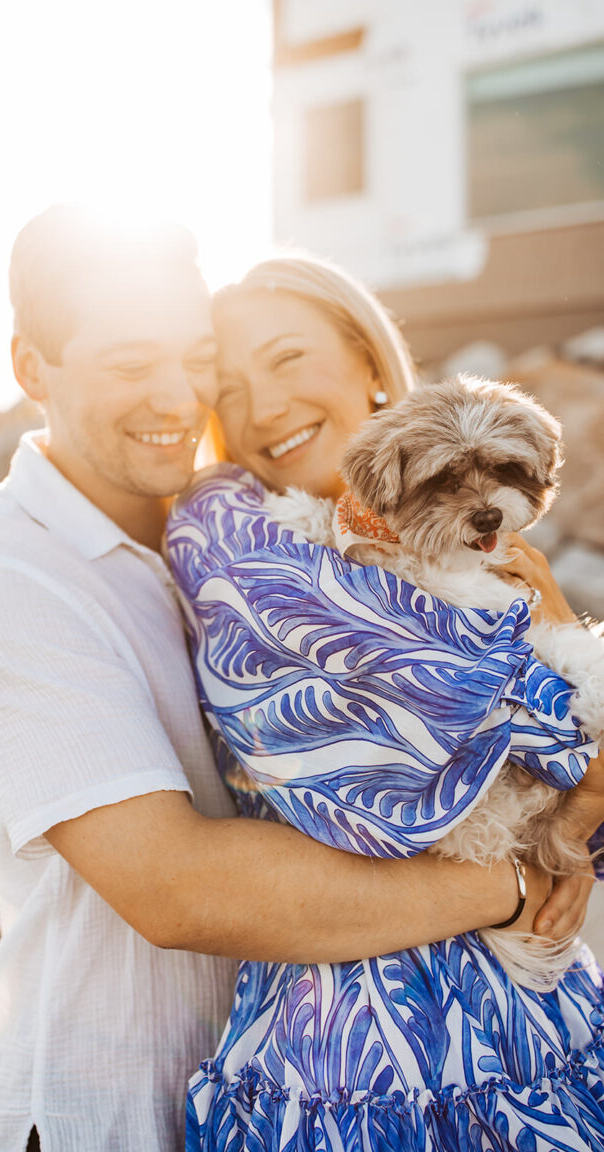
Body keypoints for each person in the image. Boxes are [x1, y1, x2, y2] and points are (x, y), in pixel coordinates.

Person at [0, 208, 592, 1152]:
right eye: (130, 363)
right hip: (117, 1108)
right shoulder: (9, 578)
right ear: (32, 368)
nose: (179, 397)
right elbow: (177, 889)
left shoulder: (225, 529)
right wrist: (514, 887)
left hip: (300, 1060)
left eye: (196, 359)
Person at [164, 256, 604, 1151]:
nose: (264, 407)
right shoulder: (232, 529)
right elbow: (441, 687)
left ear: (368, 357)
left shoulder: (468, 533)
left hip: (537, 1015)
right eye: (229, 389)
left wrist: (555, 631)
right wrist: (582, 755)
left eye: (287, 358)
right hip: (356, 1038)